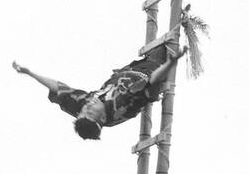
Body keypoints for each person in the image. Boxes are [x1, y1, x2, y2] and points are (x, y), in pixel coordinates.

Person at [12, 41, 187, 141]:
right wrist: (171, 63)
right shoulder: (121, 106)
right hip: (151, 69)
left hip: (127, 70)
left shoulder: (83, 109)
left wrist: (30, 73)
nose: (87, 106)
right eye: (89, 111)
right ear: (101, 119)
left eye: (82, 111)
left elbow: (58, 88)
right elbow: (152, 81)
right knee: (170, 40)